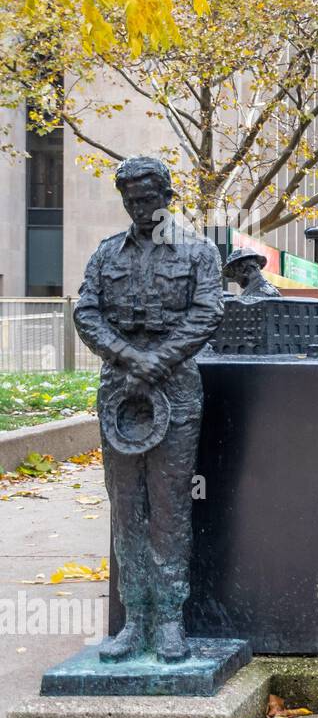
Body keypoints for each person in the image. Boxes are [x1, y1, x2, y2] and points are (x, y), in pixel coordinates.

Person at [74, 157, 225, 662]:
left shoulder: (200, 252)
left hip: (175, 390)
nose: (139, 207)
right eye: (131, 199)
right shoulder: (104, 255)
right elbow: (86, 311)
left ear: (166, 196)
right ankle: (133, 618)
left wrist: (157, 361)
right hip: (119, 389)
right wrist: (129, 359)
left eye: (147, 197)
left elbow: (208, 310)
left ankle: (168, 620)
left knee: (169, 508)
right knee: (126, 508)